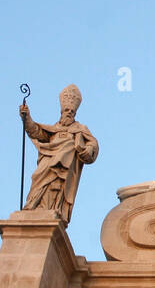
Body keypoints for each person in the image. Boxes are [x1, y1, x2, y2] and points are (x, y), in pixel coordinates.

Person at [21, 84, 99, 224]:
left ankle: (53, 208)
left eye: (72, 111)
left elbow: (93, 143)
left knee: (57, 182)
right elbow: (36, 131)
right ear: (61, 111)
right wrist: (27, 117)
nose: (69, 113)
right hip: (48, 160)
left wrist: (88, 149)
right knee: (38, 177)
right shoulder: (53, 130)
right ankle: (34, 205)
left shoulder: (80, 129)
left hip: (65, 167)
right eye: (67, 110)